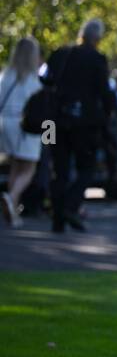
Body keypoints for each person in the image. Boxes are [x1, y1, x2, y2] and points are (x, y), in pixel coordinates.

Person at [44, 20, 116, 233]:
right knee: (87, 167)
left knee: (60, 170)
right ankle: (70, 205)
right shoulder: (96, 58)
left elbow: (46, 81)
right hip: (85, 123)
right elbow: (103, 91)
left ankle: (58, 218)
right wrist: (109, 112)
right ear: (97, 38)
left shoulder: (59, 54)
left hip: (56, 120)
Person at [0, 36, 44, 227]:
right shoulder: (34, 81)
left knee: (16, 167)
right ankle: (12, 197)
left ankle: (13, 210)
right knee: (29, 169)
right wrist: (49, 137)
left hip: (5, 124)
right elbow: (43, 112)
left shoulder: (6, 76)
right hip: (25, 128)